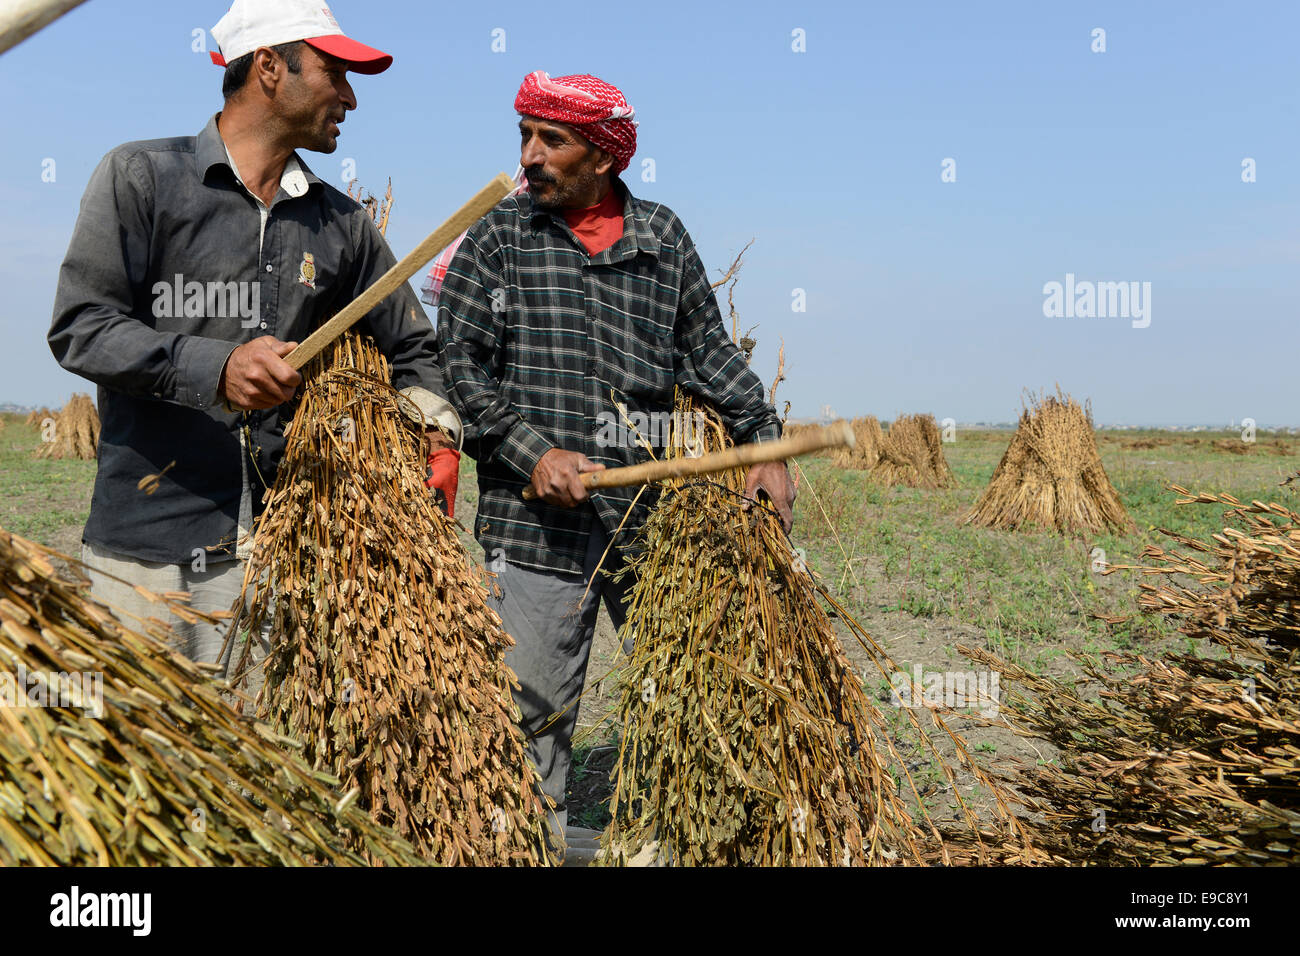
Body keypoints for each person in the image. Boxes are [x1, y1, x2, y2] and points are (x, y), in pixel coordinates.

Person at [47, 0, 459, 685]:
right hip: (146, 551)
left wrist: (434, 430)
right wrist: (215, 367)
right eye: (336, 74)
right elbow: (82, 326)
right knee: (141, 772)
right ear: (270, 66)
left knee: (260, 772)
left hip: (274, 556)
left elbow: (414, 348)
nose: (350, 98)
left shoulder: (342, 226)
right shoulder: (142, 179)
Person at [436, 70, 796, 847]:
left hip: (651, 532)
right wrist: (532, 452)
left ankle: (677, 851)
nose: (529, 156)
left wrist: (764, 443)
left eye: (551, 140)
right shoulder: (498, 239)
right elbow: (459, 369)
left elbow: (709, 355)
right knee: (528, 727)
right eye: (524, 135)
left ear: (604, 156)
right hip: (534, 533)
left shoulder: (661, 238)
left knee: (692, 712)